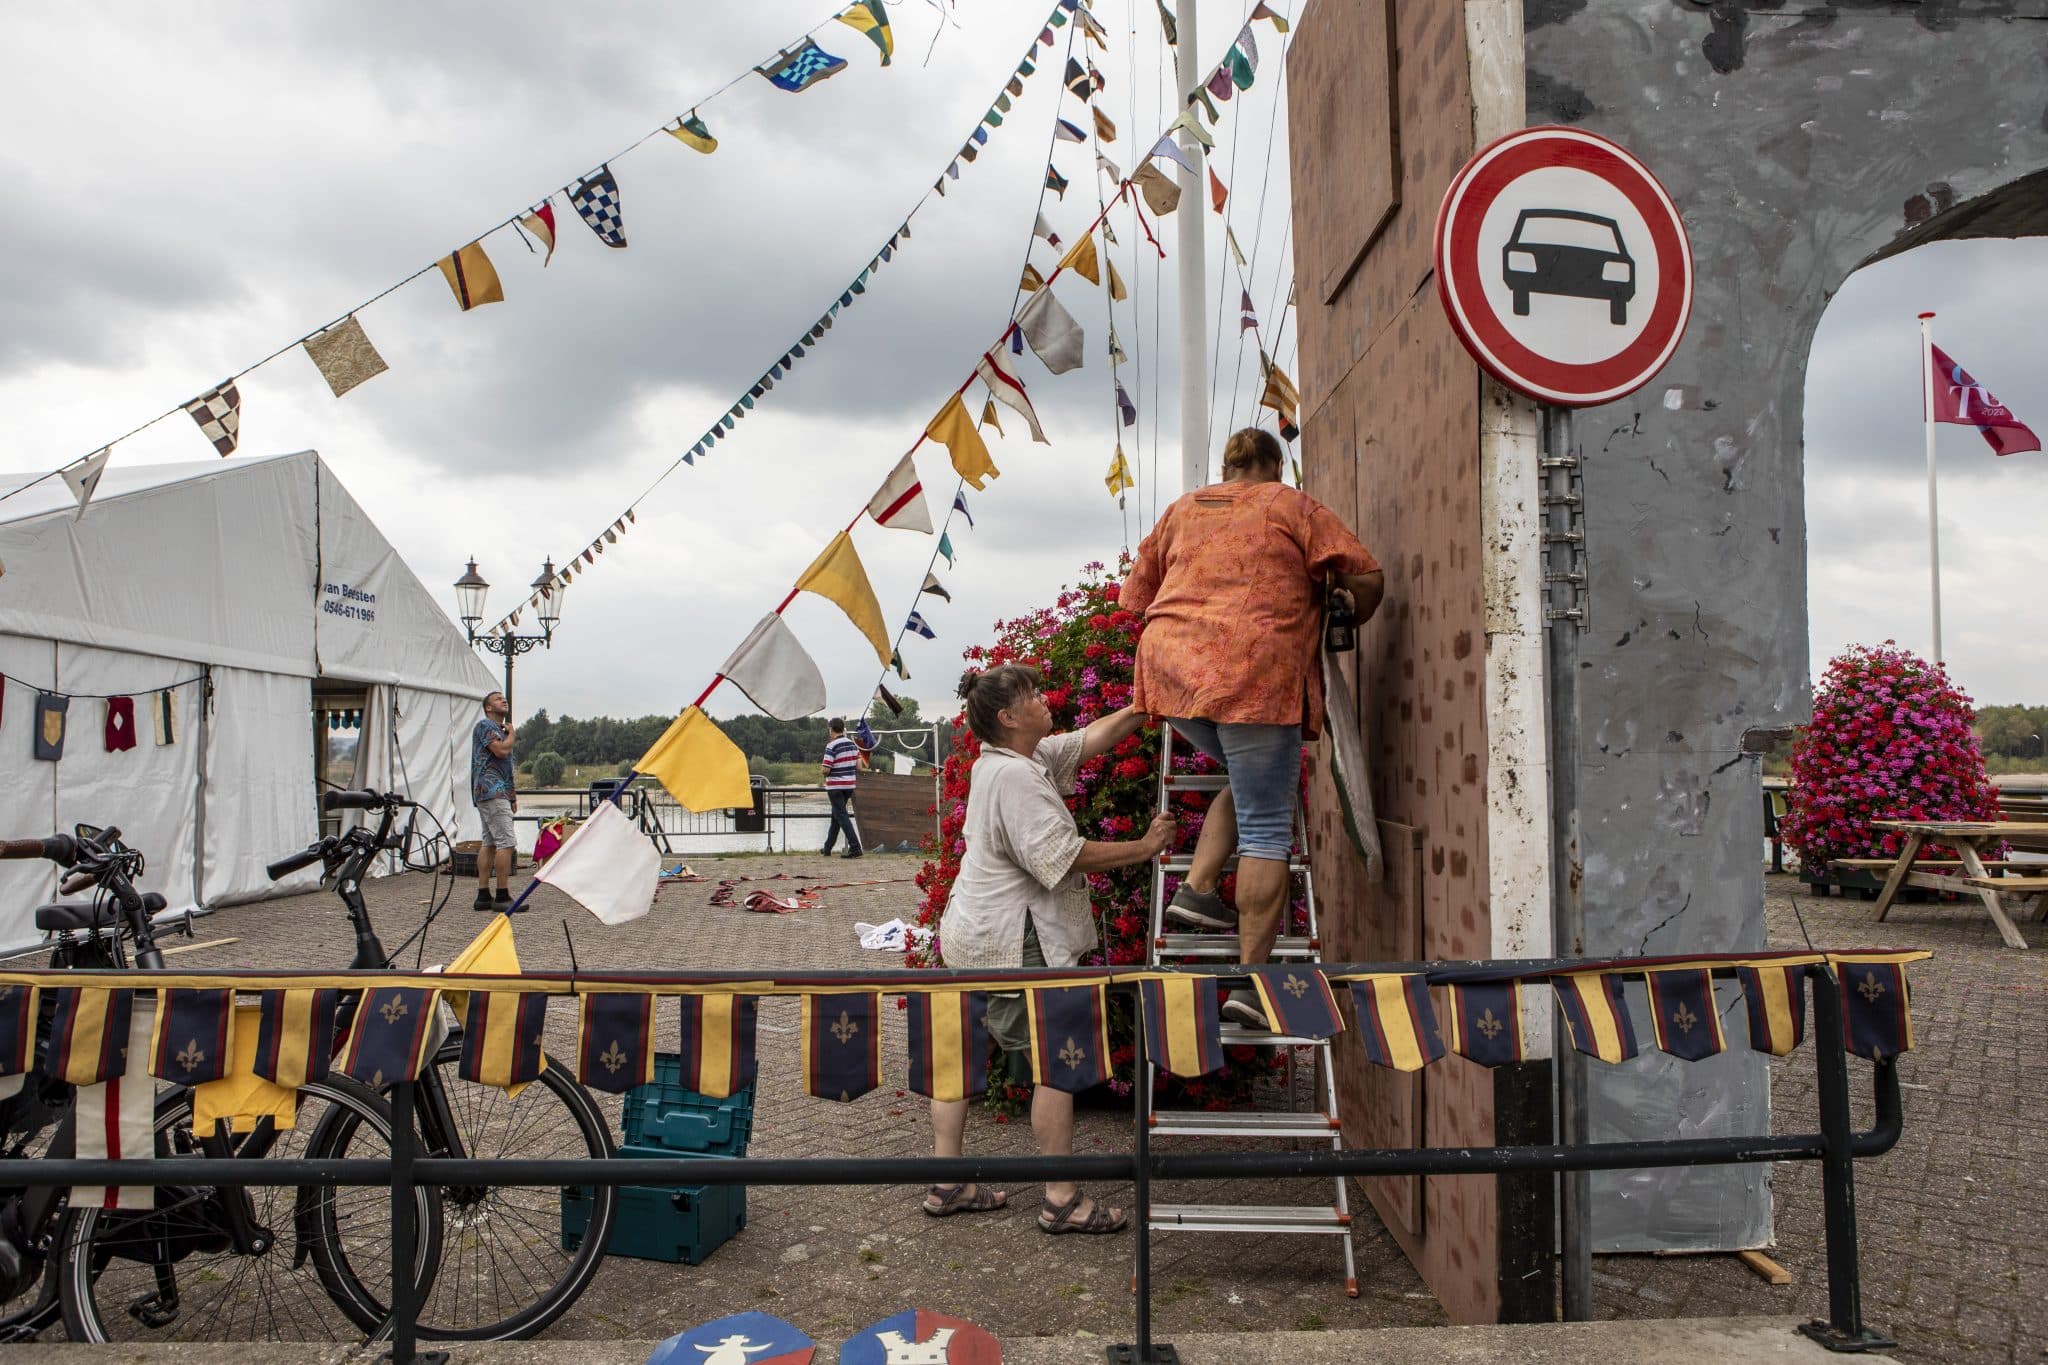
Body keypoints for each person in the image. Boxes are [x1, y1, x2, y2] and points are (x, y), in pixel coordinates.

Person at [1120, 427, 1383, 1029]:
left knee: (1251, 777)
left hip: (1173, 671)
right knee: (1267, 828)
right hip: (1254, 674)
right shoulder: (1289, 503)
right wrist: (1345, 608)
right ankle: (1252, 986)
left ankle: (1199, 889)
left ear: (1227, 467)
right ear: (1274, 464)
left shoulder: (1182, 509)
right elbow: (1368, 577)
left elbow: (1135, 596)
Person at [922, 663, 1174, 1235]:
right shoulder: (1015, 778)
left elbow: (1089, 740)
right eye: (1033, 695)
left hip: (973, 932)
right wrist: (1146, 846)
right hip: (1014, 940)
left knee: (959, 1055)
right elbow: (1062, 858)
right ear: (1010, 718)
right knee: (1059, 1061)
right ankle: (1060, 1198)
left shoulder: (1016, 759)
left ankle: (948, 1180)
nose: (1045, 698)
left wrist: (1144, 704)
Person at [470, 691, 518, 911]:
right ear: (488, 708)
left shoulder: (498, 731)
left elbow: (507, 768)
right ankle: (502, 895)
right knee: (506, 843)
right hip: (492, 791)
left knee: (489, 842)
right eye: (498, 699)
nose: (504, 700)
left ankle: (483, 894)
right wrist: (512, 736)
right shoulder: (485, 726)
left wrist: (512, 796)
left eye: (504, 698)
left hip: (496, 791)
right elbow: (500, 751)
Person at [820, 717, 866, 859]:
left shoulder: (831, 746)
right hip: (849, 785)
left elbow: (826, 770)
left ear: (831, 729)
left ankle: (855, 847)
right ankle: (827, 848)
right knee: (836, 816)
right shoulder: (853, 745)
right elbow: (859, 767)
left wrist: (821, 769)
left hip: (835, 786)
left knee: (841, 815)